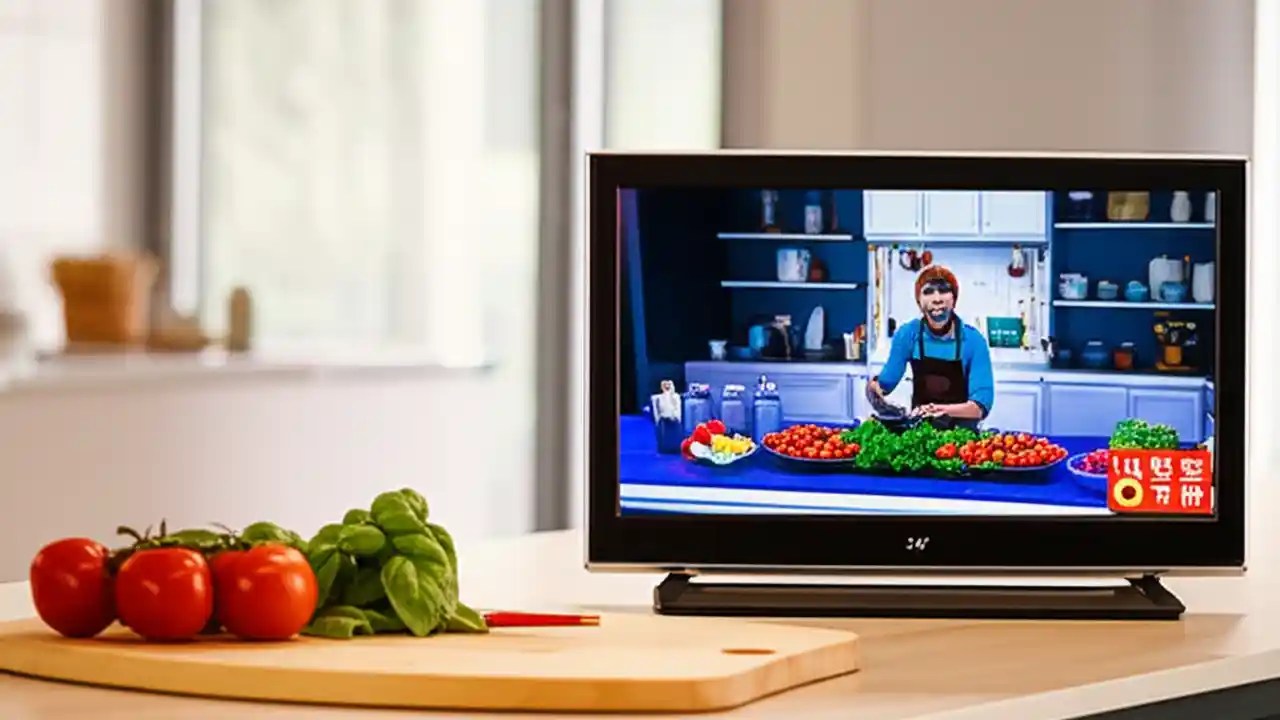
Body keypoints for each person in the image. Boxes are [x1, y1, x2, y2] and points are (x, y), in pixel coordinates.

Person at [867, 264, 995, 430]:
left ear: (954, 299)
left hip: (961, 438)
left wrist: (938, 410)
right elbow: (885, 383)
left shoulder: (973, 340)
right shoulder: (908, 335)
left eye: (944, 291)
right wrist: (875, 394)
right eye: (928, 292)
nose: (937, 299)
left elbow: (980, 406)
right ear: (919, 300)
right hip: (920, 433)